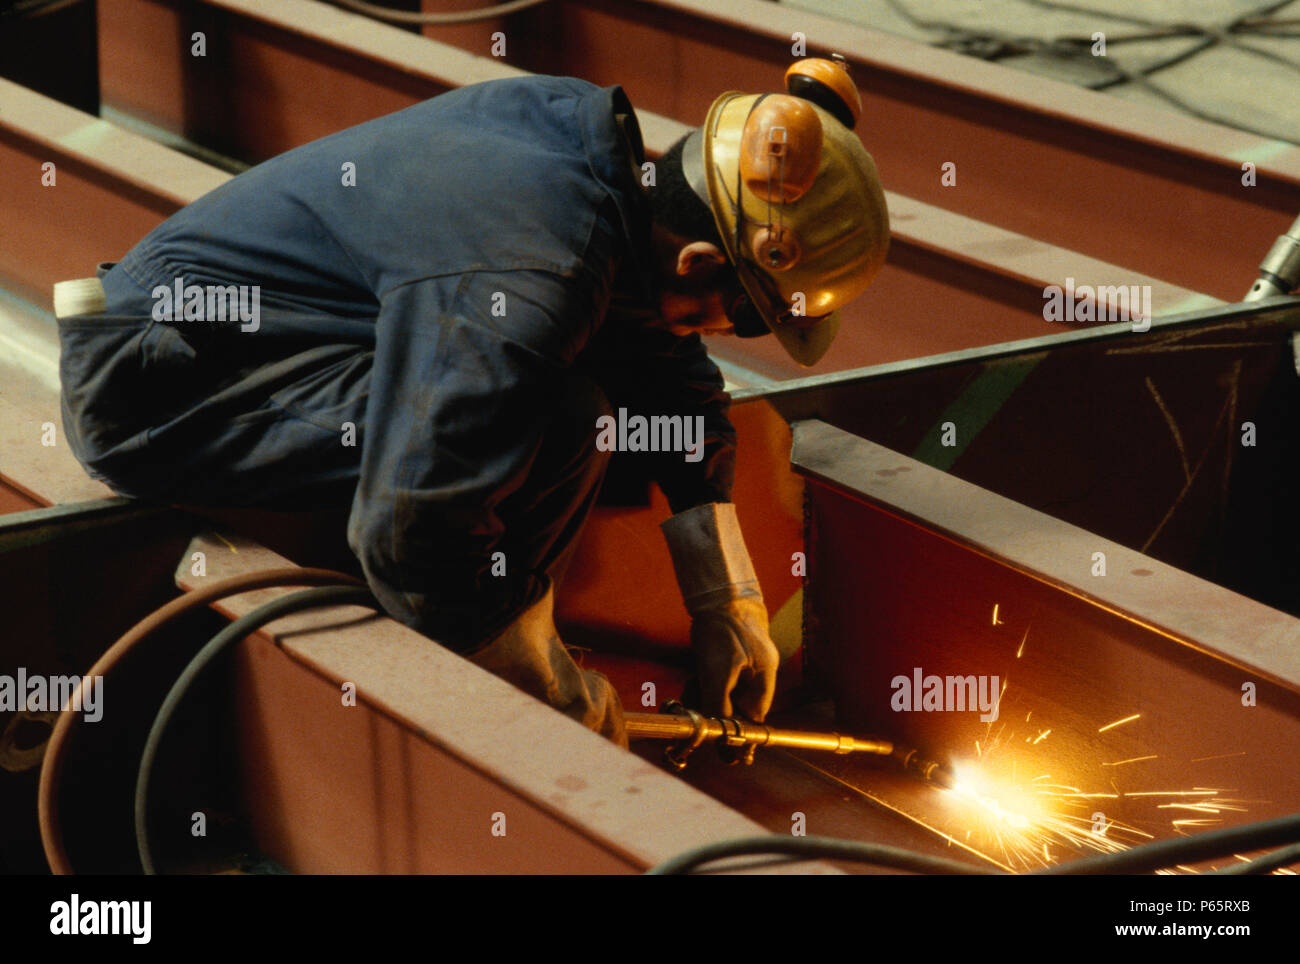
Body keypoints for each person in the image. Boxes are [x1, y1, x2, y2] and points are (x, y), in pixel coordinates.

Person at [53, 59, 889, 748]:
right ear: (701, 260)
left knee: (566, 398)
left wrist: (725, 596)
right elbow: (412, 528)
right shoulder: (534, 274)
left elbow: (665, 360)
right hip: (159, 383)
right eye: (742, 317)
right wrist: (553, 702)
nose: (723, 337)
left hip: (234, 327)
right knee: (561, 418)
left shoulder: (588, 147)